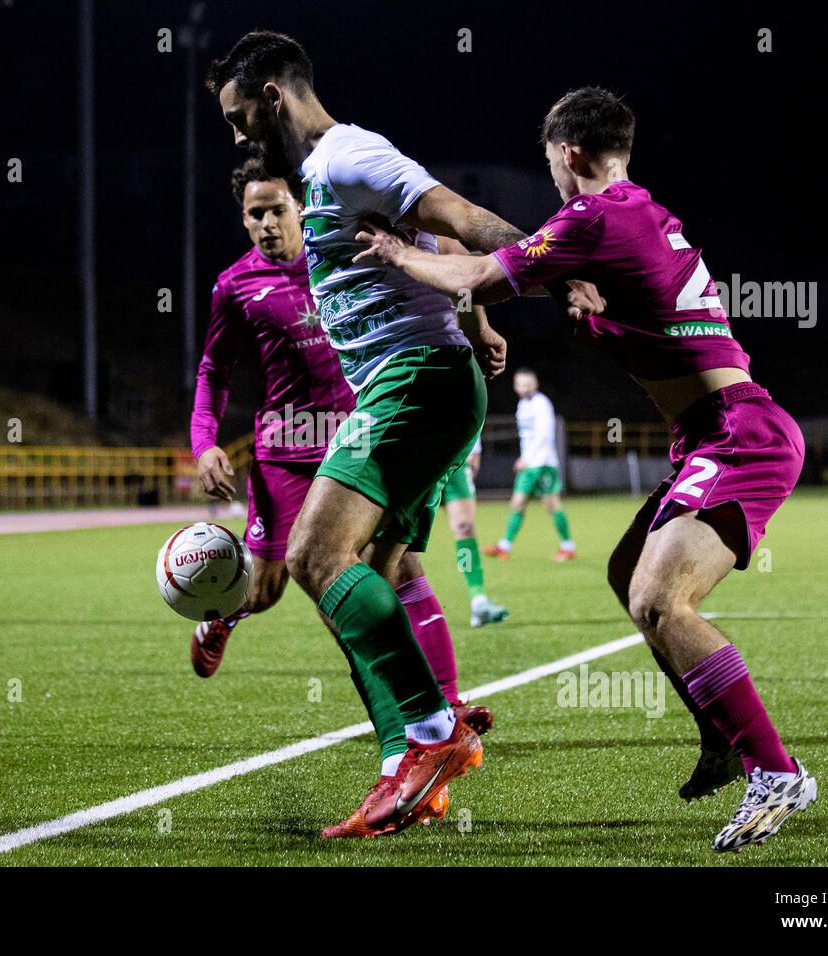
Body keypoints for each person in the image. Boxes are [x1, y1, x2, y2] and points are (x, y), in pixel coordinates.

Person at [355, 87, 815, 852]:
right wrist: (602, 328)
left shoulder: (595, 215)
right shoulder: (648, 214)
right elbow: (677, 326)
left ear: (568, 154)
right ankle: (723, 736)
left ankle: (776, 769)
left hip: (738, 435)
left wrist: (399, 252)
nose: (553, 181)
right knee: (626, 570)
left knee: (659, 600)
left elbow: (476, 279)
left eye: (550, 164)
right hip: (718, 429)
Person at [207, 31, 604, 838]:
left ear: (273, 95)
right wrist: (480, 315)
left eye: (240, 117)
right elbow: (438, 246)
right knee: (374, 576)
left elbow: (458, 216)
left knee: (318, 558)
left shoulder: (352, 155)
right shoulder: (318, 174)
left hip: (415, 376)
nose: (239, 136)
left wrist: (552, 270)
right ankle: (404, 769)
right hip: (405, 381)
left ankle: (432, 732)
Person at [189, 160, 493, 809]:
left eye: (277, 209)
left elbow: (441, 258)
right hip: (283, 457)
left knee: (393, 570)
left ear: (301, 207)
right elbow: (215, 368)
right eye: (254, 214)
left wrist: (479, 325)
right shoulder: (235, 286)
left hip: (354, 432)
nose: (267, 224)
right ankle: (224, 615)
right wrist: (206, 441)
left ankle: (437, 717)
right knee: (267, 588)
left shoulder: (338, 258)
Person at [485, 368, 576, 561]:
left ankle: (567, 547)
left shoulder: (541, 403)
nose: (523, 387)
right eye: (519, 384)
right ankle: (504, 546)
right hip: (531, 463)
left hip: (542, 463)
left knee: (549, 504)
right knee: (520, 503)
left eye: (527, 384)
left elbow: (544, 435)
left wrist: (526, 459)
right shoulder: (522, 405)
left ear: (535, 384)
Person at [437, 429, 509, 626]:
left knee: (465, 527)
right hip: (418, 455)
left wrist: (474, 450)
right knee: (404, 535)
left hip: (456, 459)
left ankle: (477, 599)